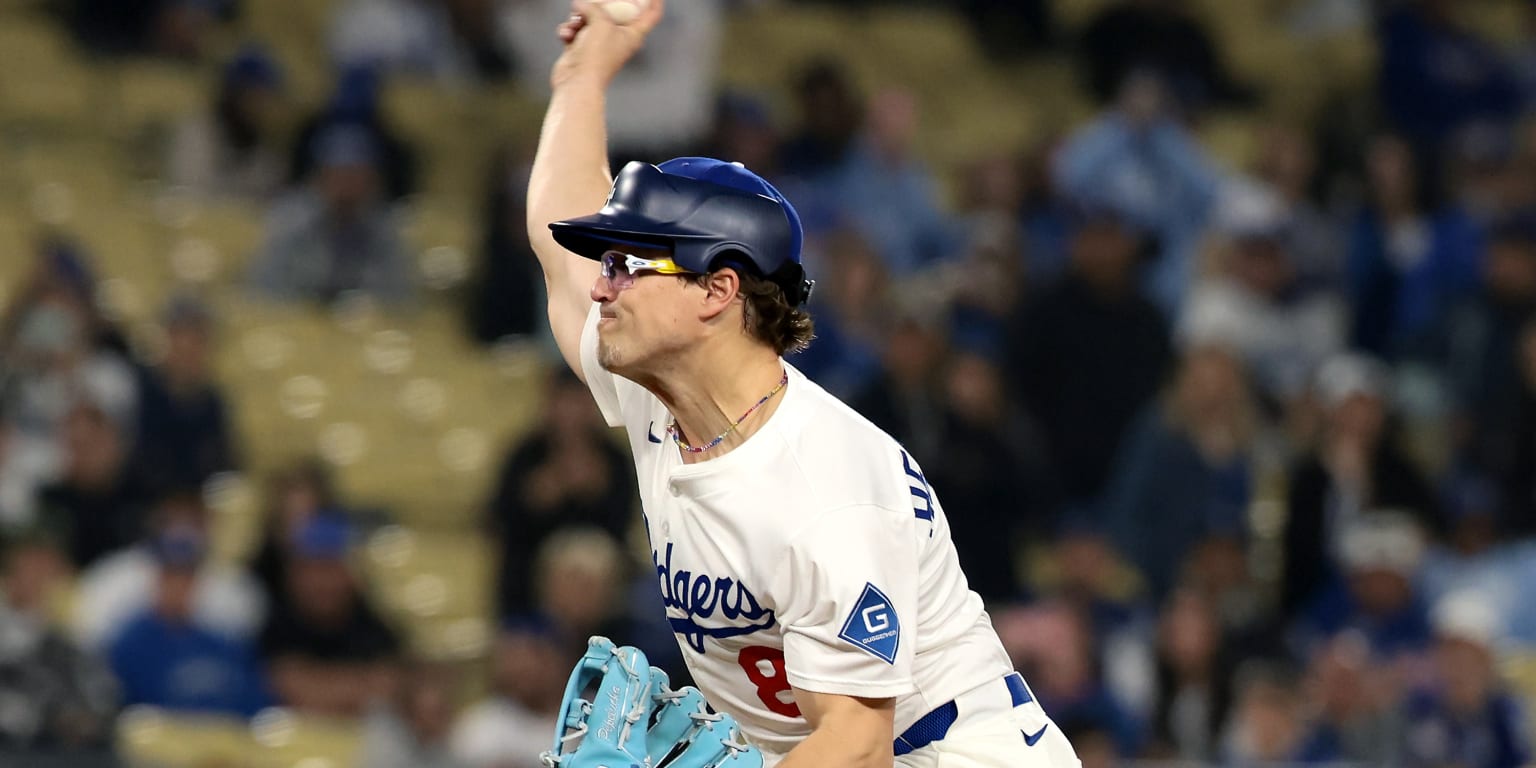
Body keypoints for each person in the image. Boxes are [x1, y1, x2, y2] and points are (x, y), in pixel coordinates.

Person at [522, 3, 1078, 766]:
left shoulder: (826, 487)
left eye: (626, 265)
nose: (601, 287)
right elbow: (558, 237)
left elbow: (858, 747)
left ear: (716, 292)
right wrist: (584, 76)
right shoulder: (662, 392)